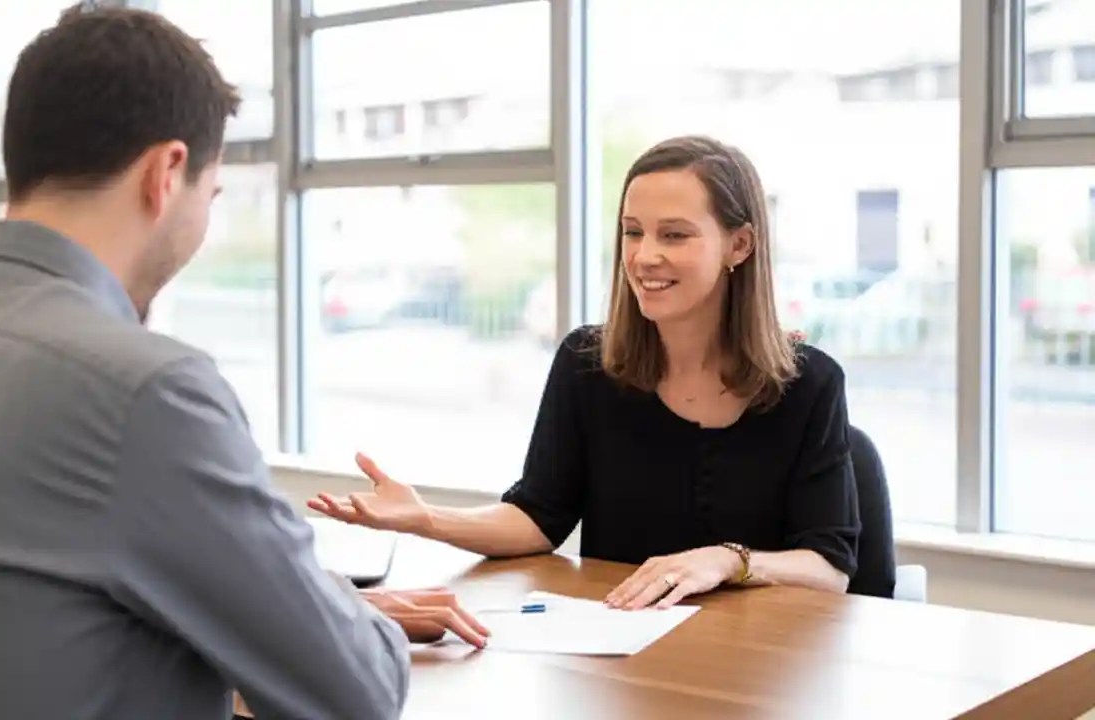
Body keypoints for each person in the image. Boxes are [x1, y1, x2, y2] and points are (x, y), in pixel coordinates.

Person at [0, 6, 485, 720]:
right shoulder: (145, 393)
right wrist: (334, 613)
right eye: (210, 194)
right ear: (166, 173)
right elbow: (356, 694)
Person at [310, 135, 861, 610]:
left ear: (738, 245)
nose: (644, 256)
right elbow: (537, 518)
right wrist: (426, 519)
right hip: (623, 648)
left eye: (674, 235)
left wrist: (727, 560)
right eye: (633, 232)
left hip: (755, 660)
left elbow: (829, 568)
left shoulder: (809, 384)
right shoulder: (587, 364)